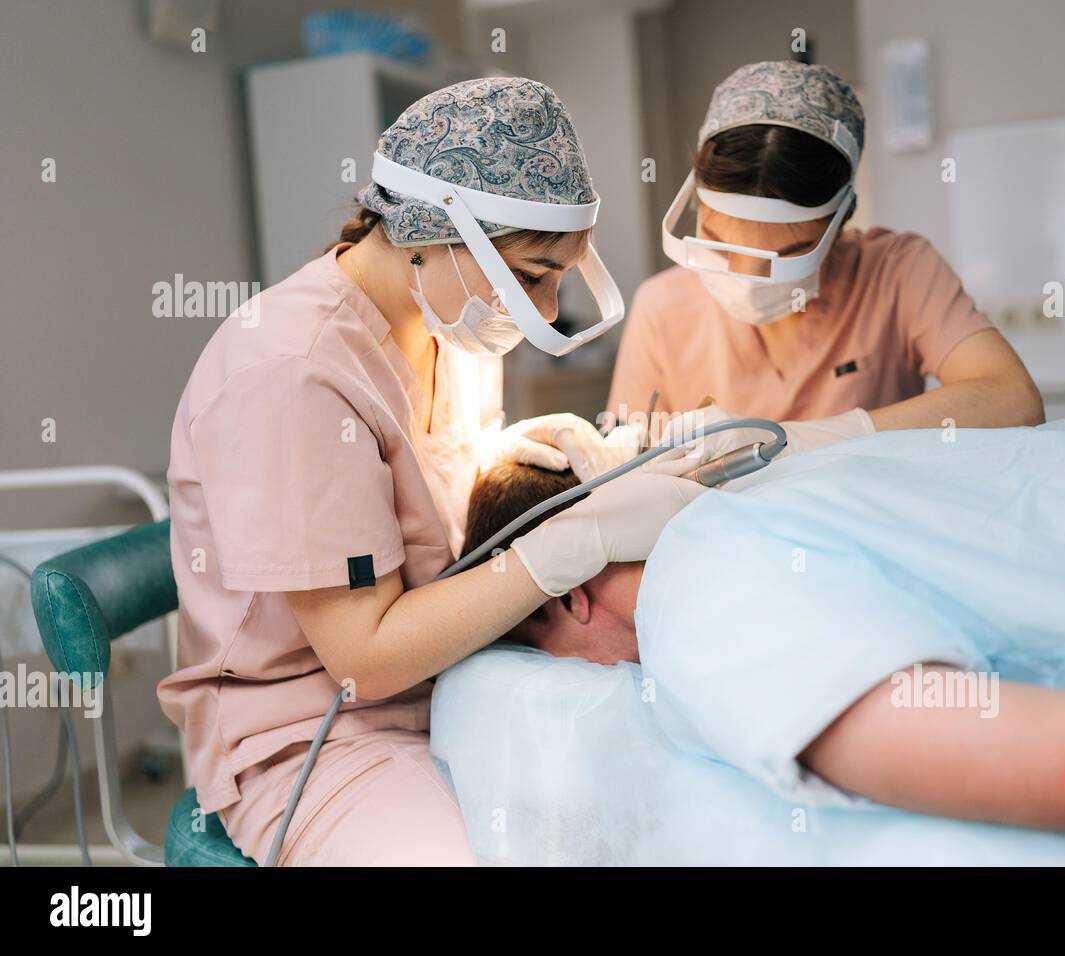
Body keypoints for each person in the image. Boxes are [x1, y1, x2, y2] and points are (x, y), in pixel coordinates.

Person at [157, 77, 699, 866]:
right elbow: (366, 659)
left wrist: (518, 457)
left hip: (451, 675)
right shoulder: (292, 372)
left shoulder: (451, 322)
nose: (547, 310)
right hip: (321, 733)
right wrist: (562, 550)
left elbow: (427, 488)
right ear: (432, 232)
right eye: (533, 273)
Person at [456, 377, 1065, 865]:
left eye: (567, 659)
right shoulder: (792, 486)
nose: (604, 677)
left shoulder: (703, 601)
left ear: (570, 595)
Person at [607, 61, 1043, 477]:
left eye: (789, 255)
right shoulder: (661, 308)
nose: (748, 277)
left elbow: (1012, 399)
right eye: (722, 247)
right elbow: (625, 466)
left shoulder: (896, 272)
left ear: (842, 220)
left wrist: (800, 443)